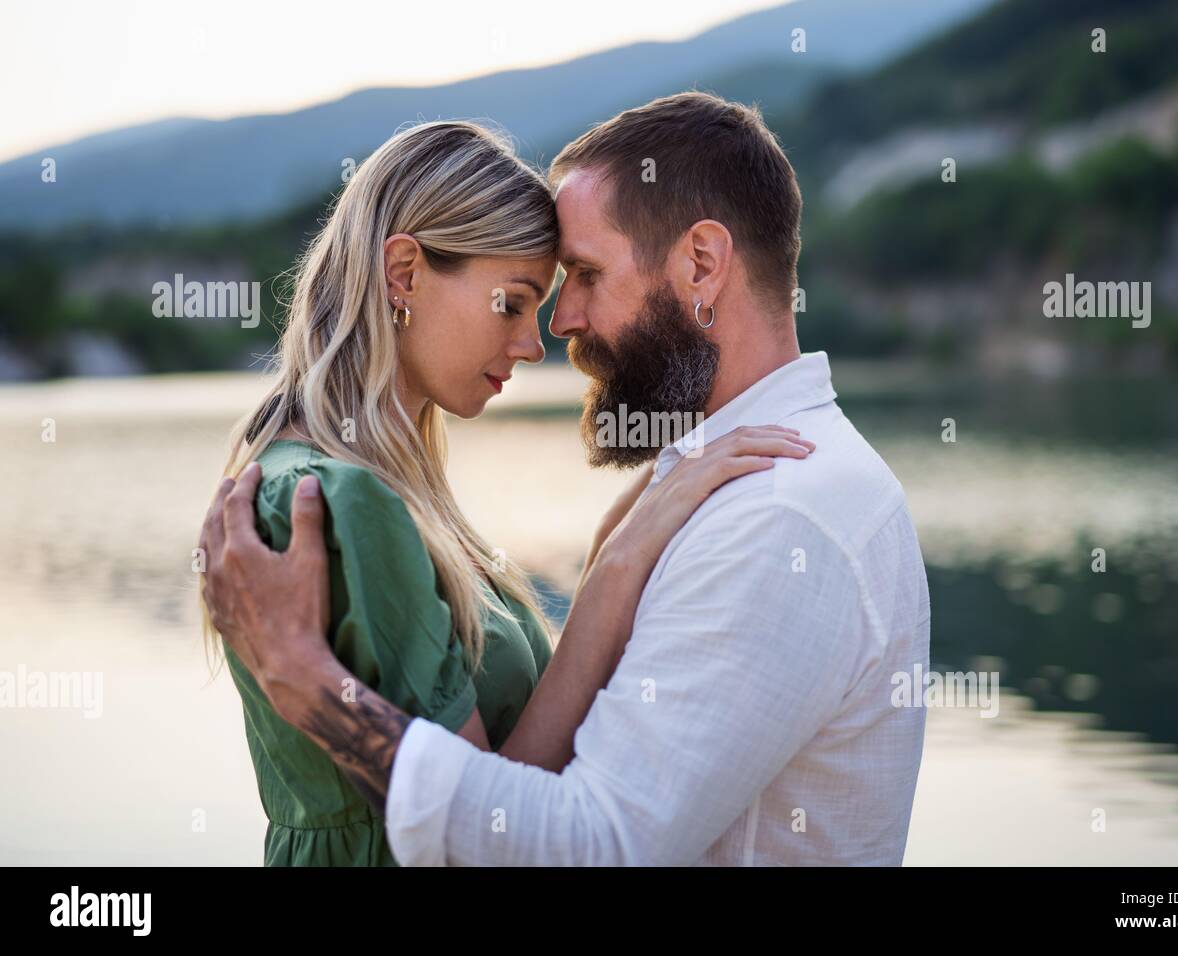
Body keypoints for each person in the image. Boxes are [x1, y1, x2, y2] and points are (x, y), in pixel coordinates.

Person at [202, 92, 930, 866]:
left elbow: (587, 841)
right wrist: (613, 567)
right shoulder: (332, 498)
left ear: (702, 265)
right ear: (404, 274)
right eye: (517, 301)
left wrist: (306, 684)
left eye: (581, 276)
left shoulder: (780, 516)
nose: (553, 329)